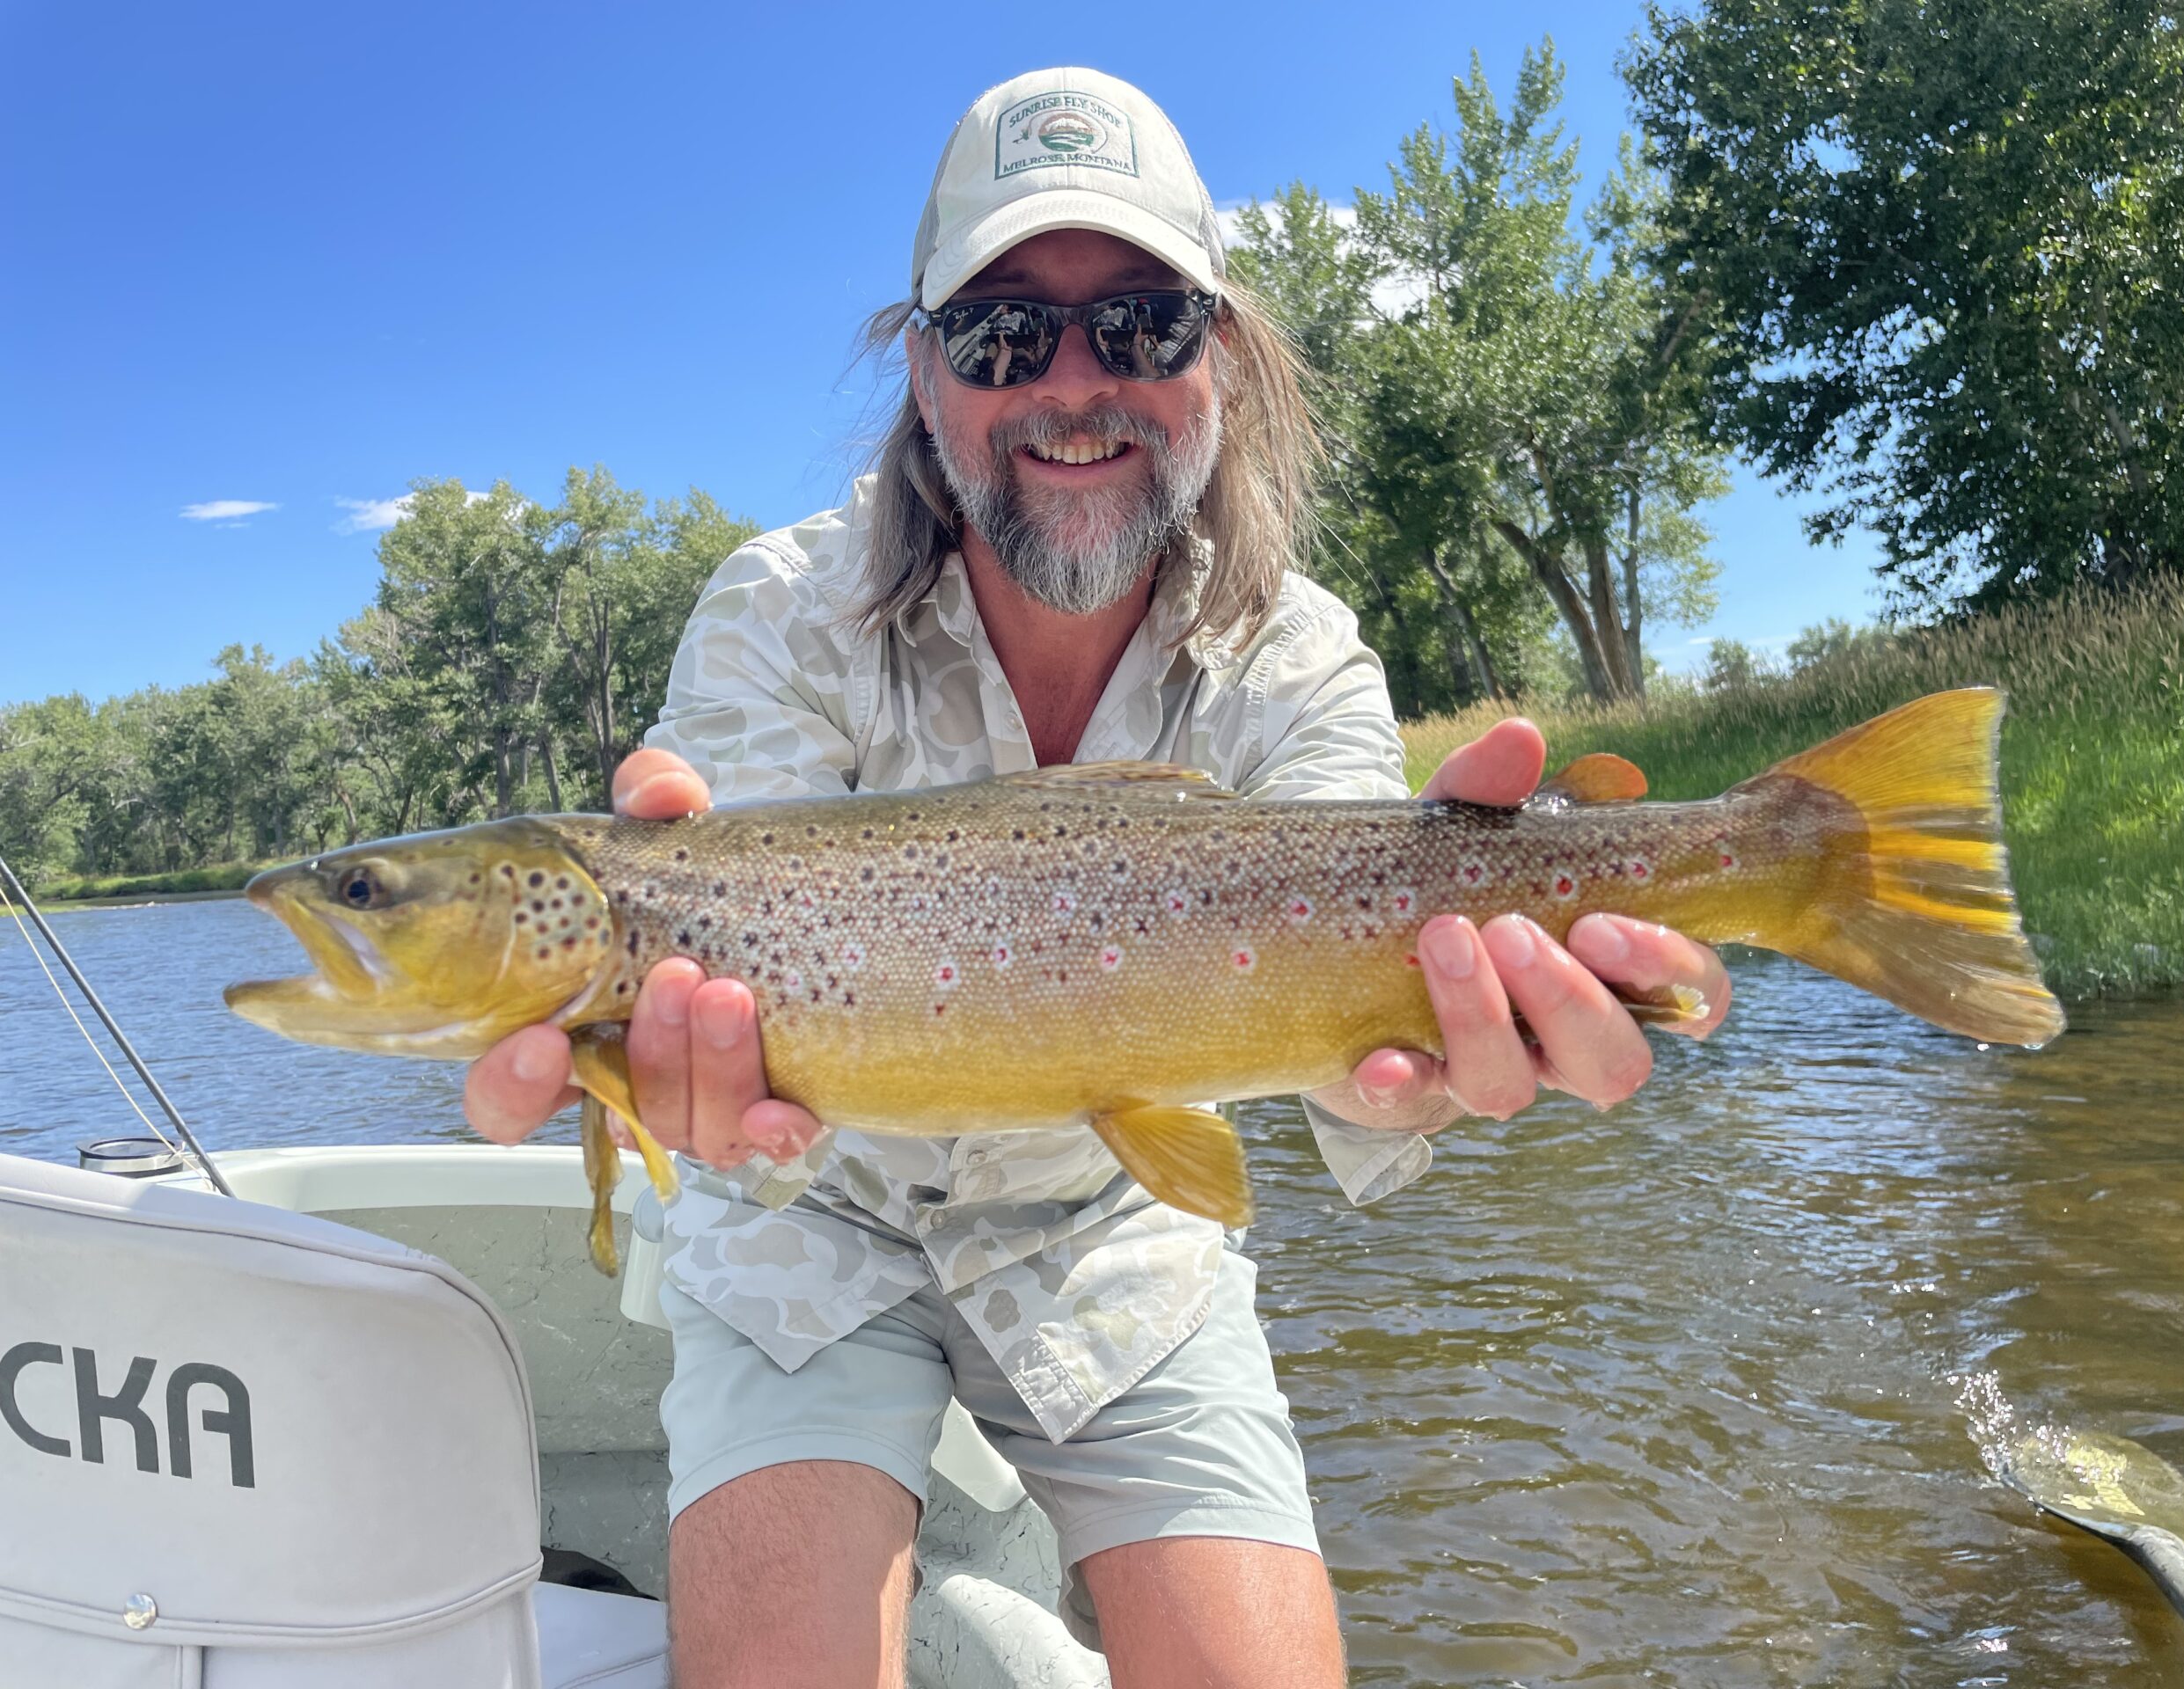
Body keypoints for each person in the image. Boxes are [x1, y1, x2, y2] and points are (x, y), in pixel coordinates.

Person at [460, 67, 1733, 1689]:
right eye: (1002, 334)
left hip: (1112, 1228)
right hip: (815, 1216)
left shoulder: (1303, 659)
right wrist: (637, 1067)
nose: (1073, 386)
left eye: (1139, 325)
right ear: (926, 377)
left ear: (1226, 363)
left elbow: (1366, 1066)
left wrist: (1434, 1076)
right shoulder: (779, 610)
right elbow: (724, 980)